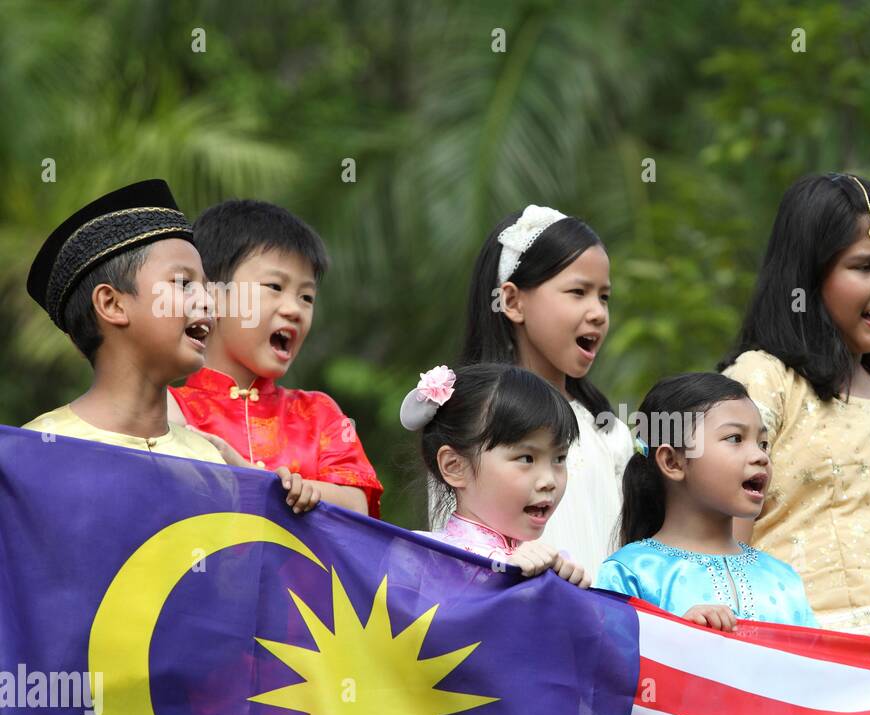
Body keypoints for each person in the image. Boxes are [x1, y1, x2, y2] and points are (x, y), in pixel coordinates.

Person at [720, 172, 870, 642]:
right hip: (807, 653)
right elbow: (724, 536)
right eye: (864, 267)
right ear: (807, 276)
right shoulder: (763, 378)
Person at [168, 199, 383, 516]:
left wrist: (287, 489)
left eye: (306, 297)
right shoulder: (169, 407)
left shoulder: (320, 414)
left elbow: (359, 507)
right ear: (211, 294)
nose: (294, 310)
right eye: (275, 286)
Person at [457, 204, 632, 569]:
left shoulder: (607, 431)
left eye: (604, 296)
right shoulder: (471, 420)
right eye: (578, 291)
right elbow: (456, 551)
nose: (598, 312)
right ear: (512, 301)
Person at [22, 179, 223, 464]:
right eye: (183, 282)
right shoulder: (36, 453)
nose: (207, 301)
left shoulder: (208, 461)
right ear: (112, 304)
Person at [596, 373, 818, 630]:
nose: (761, 456)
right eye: (735, 438)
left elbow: (817, 667)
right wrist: (680, 636)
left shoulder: (784, 579)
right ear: (672, 461)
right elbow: (610, 663)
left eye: (763, 443)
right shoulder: (630, 573)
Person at [400, 363, 590, 586]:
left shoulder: (558, 567)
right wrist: (504, 580)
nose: (549, 481)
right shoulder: (421, 558)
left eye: (559, 458)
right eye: (527, 458)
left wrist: (573, 594)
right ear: (454, 466)